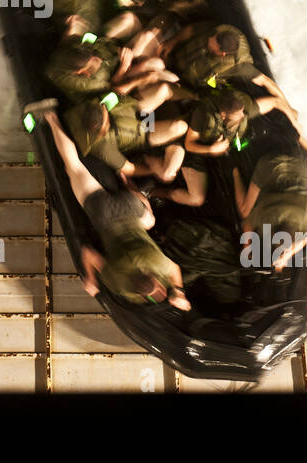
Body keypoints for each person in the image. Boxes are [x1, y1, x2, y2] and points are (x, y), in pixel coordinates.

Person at [26, 102, 189, 309]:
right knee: (72, 165)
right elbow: (88, 253)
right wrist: (91, 279)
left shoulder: (158, 264)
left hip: (130, 208)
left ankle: (126, 181)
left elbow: (175, 270)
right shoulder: (117, 280)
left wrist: (179, 292)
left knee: (150, 221)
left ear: (155, 279)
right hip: (102, 213)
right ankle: (50, 117)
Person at [231, 139, 307, 271]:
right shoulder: (265, 219)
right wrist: (246, 247)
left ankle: (299, 137)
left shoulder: (305, 221)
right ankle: (234, 169)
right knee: (245, 211)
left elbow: (305, 239)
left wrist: (286, 255)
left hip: (295, 161)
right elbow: (247, 224)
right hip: (271, 165)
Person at [61, 87, 188, 180]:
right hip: (145, 133)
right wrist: (151, 168)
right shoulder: (103, 147)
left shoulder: (98, 106)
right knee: (179, 128)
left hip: (140, 114)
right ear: (101, 132)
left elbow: (117, 95)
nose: (107, 115)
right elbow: (129, 169)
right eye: (107, 122)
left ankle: (194, 98)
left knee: (163, 89)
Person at [183, 85, 299, 157]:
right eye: (237, 114)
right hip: (210, 147)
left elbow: (275, 102)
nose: (242, 115)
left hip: (233, 141)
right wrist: (210, 149)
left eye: (242, 111)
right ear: (223, 115)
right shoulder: (203, 114)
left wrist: (295, 123)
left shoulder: (244, 110)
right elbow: (189, 144)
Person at [166, 21, 255, 90]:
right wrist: (171, 42)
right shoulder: (214, 30)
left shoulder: (239, 65)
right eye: (213, 37)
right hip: (175, 59)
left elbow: (261, 79)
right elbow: (191, 30)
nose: (209, 38)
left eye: (211, 47)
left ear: (222, 54)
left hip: (189, 85)